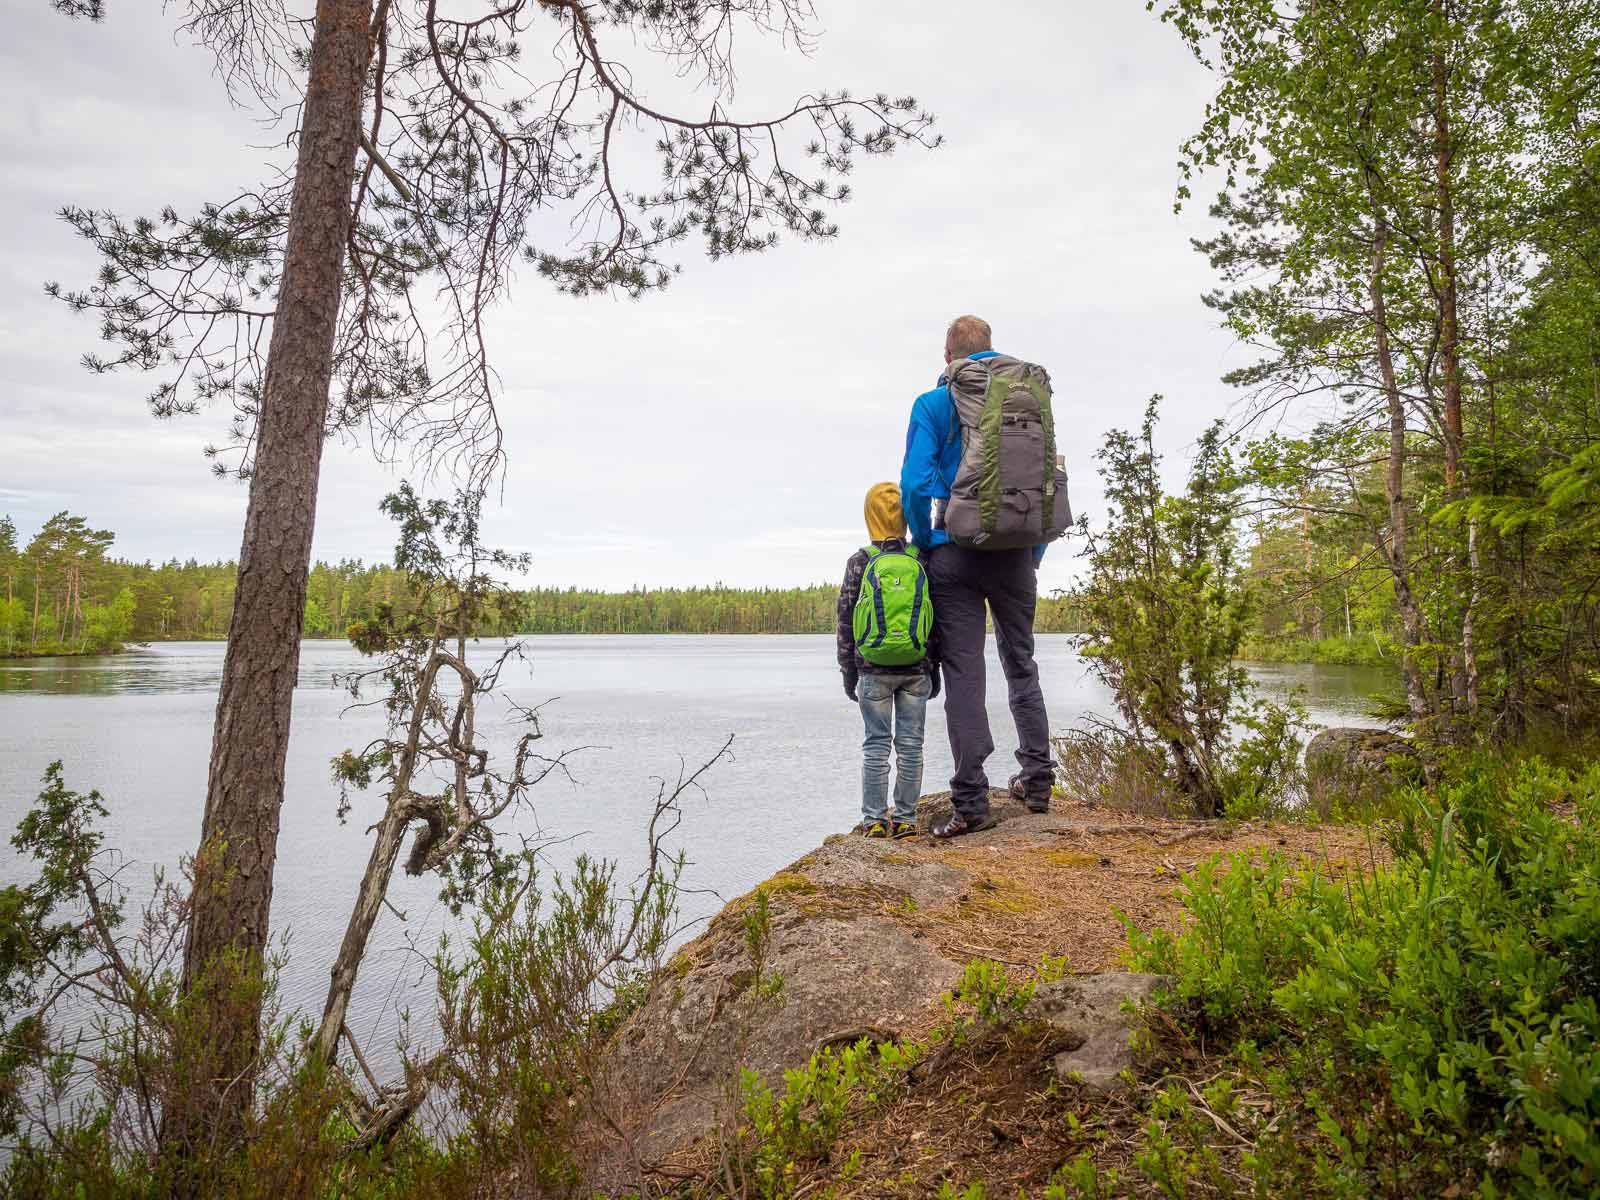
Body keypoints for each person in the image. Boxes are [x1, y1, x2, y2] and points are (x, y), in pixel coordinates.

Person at [900, 315, 1053, 838]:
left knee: (966, 672)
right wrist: (1030, 552)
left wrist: (927, 539)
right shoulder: (1025, 395)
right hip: (1014, 551)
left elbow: (916, 486)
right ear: (991, 349)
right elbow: (1041, 480)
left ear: (949, 356)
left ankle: (971, 801)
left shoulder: (935, 402)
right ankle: (1037, 782)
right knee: (1021, 662)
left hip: (955, 553)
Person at [836, 482, 940, 839]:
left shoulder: (860, 561)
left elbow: (846, 621)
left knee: (876, 746)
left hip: (873, 670)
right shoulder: (918, 559)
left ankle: (875, 821)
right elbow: (934, 618)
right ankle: (907, 821)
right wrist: (934, 666)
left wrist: (848, 671)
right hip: (915, 668)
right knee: (911, 746)